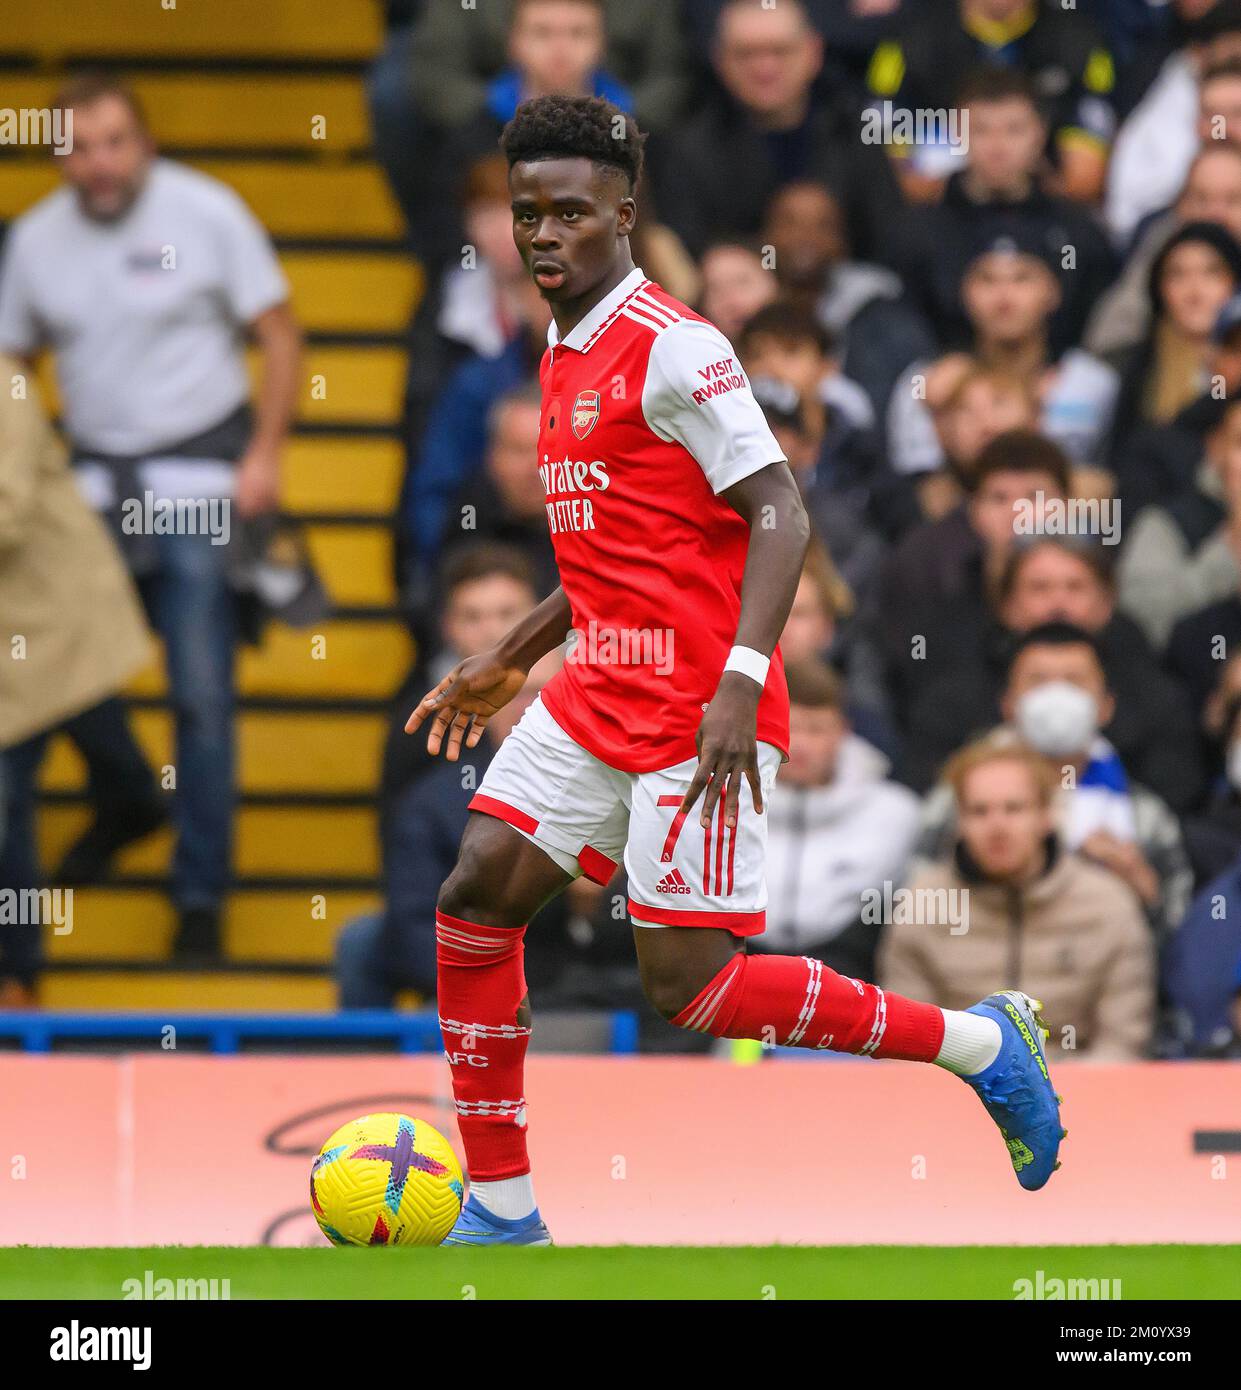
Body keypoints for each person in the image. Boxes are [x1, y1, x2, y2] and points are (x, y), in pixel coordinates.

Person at [405, 93, 1065, 1247]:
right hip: (594, 691)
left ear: (623, 211)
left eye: (569, 211)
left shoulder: (677, 346)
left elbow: (778, 509)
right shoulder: (559, 347)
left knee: (693, 988)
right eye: (526, 215)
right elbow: (617, 551)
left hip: (694, 711)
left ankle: (978, 1045)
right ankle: (502, 1209)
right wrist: (509, 659)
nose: (544, 235)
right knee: (473, 897)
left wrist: (744, 680)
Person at [0, 73, 303, 959]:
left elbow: (280, 334)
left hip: (202, 480)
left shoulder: (206, 212)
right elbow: (12, 370)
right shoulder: (35, 241)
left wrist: (266, 455)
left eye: (112, 142)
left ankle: (199, 895)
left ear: (146, 142)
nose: (97, 163)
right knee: (65, 674)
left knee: (201, 698)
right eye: (78, 146)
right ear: (57, 154)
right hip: (87, 490)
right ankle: (131, 794)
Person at [0, 358, 159, 1005]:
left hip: (60, 616)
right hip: (18, 634)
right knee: (9, 804)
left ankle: (18, 981)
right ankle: (19, 974)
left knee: (39, 791)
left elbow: (5, 512)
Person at [882, 739, 1155, 1062]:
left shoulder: (1108, 905)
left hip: (1079, 1096)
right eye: (979, 811)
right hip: (950, 1096)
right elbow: (905, 1046)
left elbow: (1122, 1046)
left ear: (1046, 815)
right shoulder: (922, 904)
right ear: (959, 822)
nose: (997, 826)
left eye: (1014, 808)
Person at [915, 624, 1193, 938]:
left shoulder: (1145, 816)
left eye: (1074, 682)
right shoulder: (958, 798)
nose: (1057, 697)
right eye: (1038, 681)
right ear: (1007, 703)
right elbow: (915, 914)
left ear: (1106, 706)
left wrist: (1144, 892)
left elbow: (1177, 943)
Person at [758, 658, 920, 981]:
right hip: (739, 981)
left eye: (816, 729)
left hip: (854, 982)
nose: (800, 744)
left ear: (843, 731)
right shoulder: (721, 805)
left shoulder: (898, 815)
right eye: (789, 726)